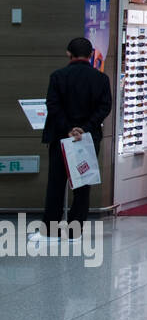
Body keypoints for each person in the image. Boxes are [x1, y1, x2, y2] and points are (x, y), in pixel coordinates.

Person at [40, 38, 112, 237]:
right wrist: (84, 128)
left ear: (68, 53)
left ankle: (50, 229)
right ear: (91, 55)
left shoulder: (57, 76)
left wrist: (68, 129)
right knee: (82, 184)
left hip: (60, 138)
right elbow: (104, 107)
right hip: (88, 138)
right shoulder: (101, 79)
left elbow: (53, 105)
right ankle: (75, 230)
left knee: (56, 184)